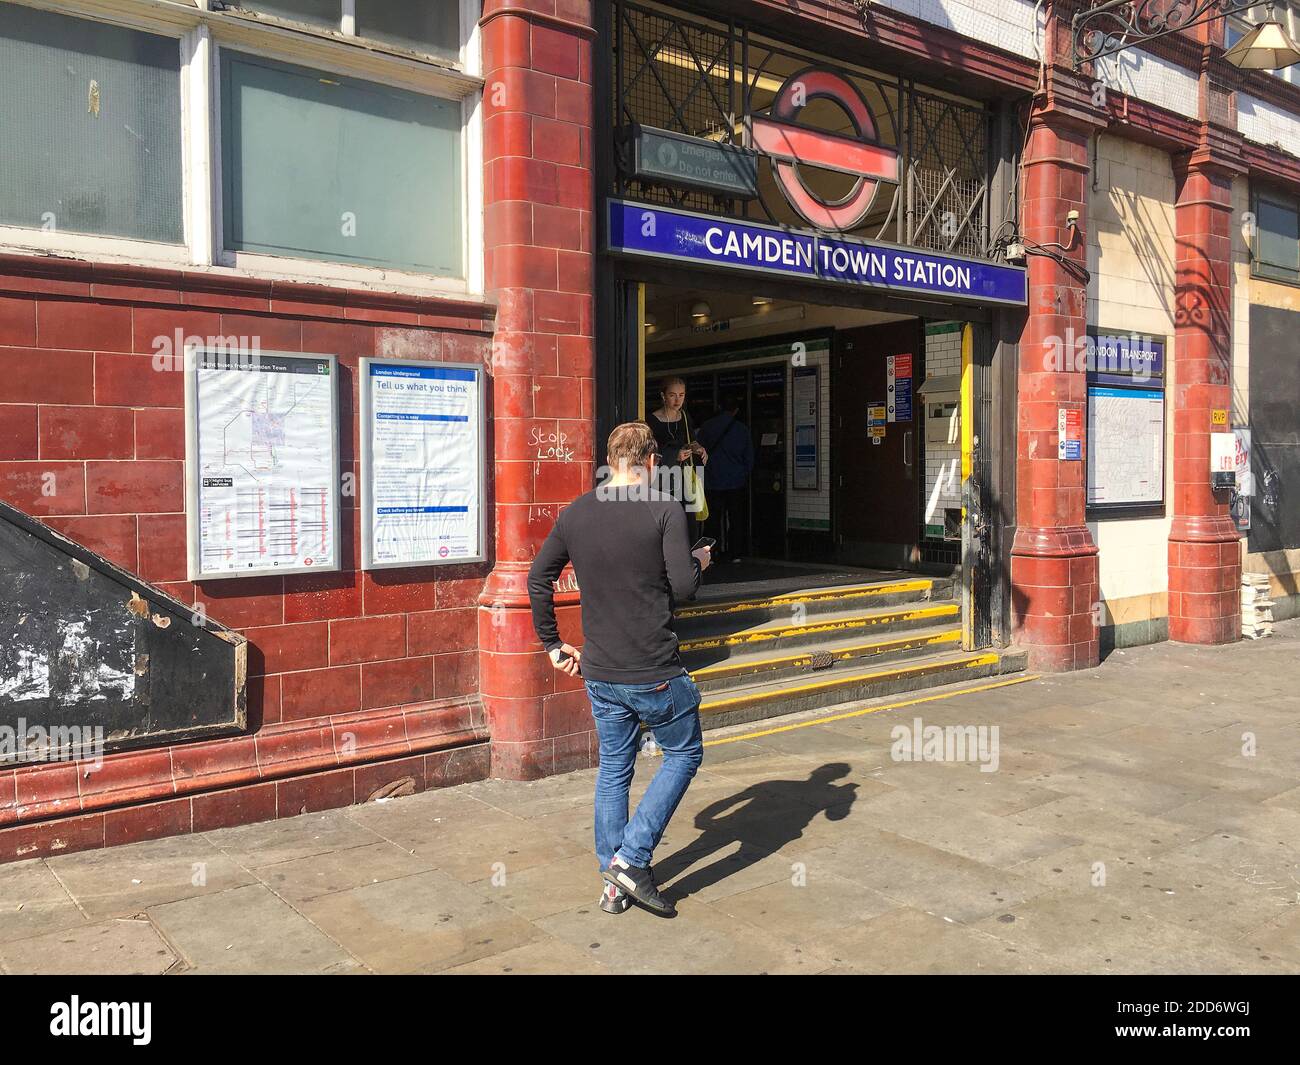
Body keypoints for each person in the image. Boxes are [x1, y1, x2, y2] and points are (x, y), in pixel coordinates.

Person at [527, 421, 713, 918]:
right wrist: (699, 560)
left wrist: (551, 644)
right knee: (685, 753)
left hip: (600, 670)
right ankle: (631, 860)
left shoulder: (576, 514)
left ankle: (613, 883)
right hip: (653, 667)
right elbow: (684, 588)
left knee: (614, 768)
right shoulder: (664, 509)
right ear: (651, 461)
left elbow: (537, 578)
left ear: (612, 461)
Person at [696, 393, 754, 563]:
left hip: (712, 481)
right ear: (736, 410)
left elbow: (698, 454)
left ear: (719, 408)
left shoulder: (707, 427)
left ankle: (710, 554)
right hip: (735, 481)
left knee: (712, 518)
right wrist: (743, 474)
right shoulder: (742, 429)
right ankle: (735, 553)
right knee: (736, 518)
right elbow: (749, 458)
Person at [647, 375, 706, 506]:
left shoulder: (684, 416)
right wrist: (674, 455)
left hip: (683, 477)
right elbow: (648, 452)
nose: (677, 400)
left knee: (687, 518)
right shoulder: (652, 420)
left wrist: (698, 448)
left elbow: (691, 440)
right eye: (672, 395)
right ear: (663, 396)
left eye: (681, 395)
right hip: (662, 479)